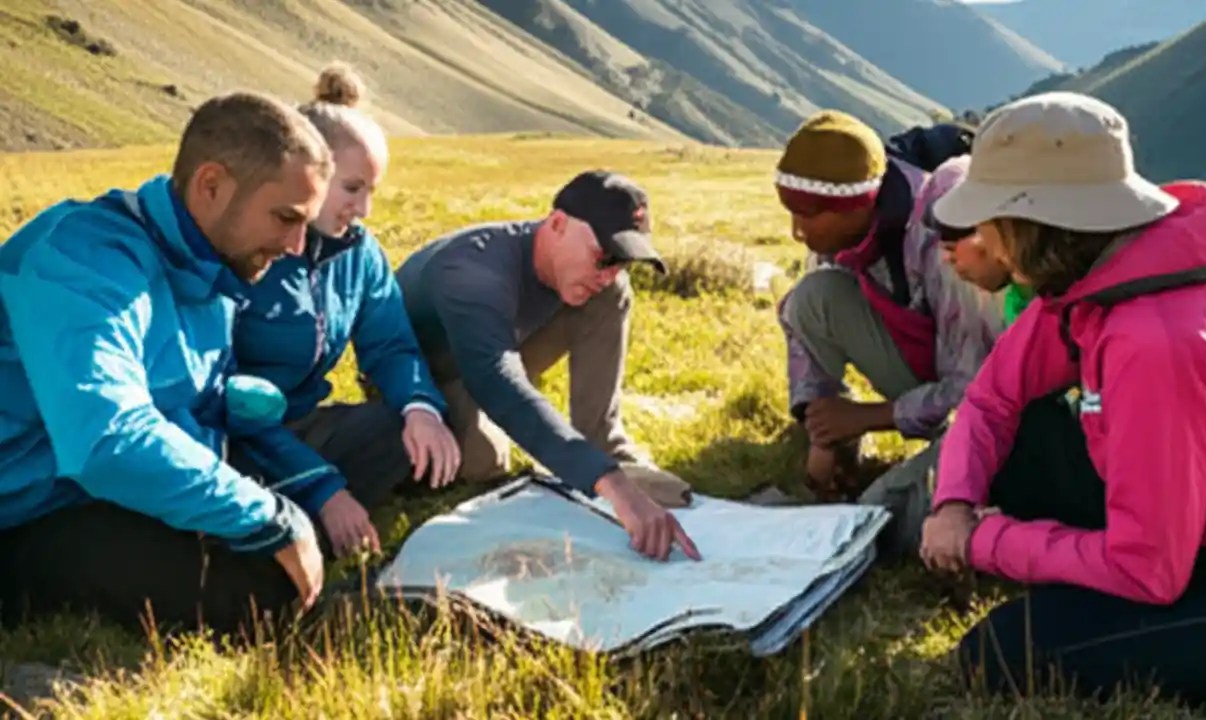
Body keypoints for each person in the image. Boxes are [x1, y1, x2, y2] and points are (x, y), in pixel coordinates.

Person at [920, 91, 1206, 717]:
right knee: (1022, 434)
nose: (981, 240)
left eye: (986, 222)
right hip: (1198, 524)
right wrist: (953, 504)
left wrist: (988, 539)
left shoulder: (1155, 342)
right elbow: (991, 400)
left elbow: (1149, 571)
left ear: (1027, 226)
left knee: (999, 653)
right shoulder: (1098, 282)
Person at [0, 92, 344, 635]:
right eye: (285, 219)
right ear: (211, 186)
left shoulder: (213, 267)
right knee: (261, 590)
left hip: (86, 491)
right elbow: (107, 442)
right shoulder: (82, 259)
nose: (297, 246)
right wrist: (268, 517)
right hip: (26, 510)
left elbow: (183, 402)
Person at [395, 171, 700, 562]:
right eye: (604, 257)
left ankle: (602, 440)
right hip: (428, 378)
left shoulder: (594, 278)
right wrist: (617, 489)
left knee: (609, 295)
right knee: (484, 459)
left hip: (500, 350)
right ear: (557, 224)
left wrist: (602, 465)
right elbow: (498, 382)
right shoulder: (472, 272)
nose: (608, 272)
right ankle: (594, 468)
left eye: (622, 262)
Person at [230, 64, 458, 560]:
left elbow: (391, 345)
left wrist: (421, 409)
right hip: (230, 436)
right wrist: (326, 491)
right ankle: (290, 513)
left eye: (371, 191)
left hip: (305, 426)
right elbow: (215, 396)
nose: (365, 210)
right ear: (311, 170)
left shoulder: (360, 252)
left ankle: (299, 506)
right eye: (353, 189)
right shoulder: (247, 245)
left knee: (406, 428)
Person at [773, 111, 1004, 556]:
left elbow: (975, 390)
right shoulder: (839, 235)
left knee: (880, 522)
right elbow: (801, 319)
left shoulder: (946, 235)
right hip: (930, 373)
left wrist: (869, 416)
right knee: (810, 296)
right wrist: (822, 427)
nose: (797, 232)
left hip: (991, 410)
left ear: (857, 205)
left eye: (809, 215)